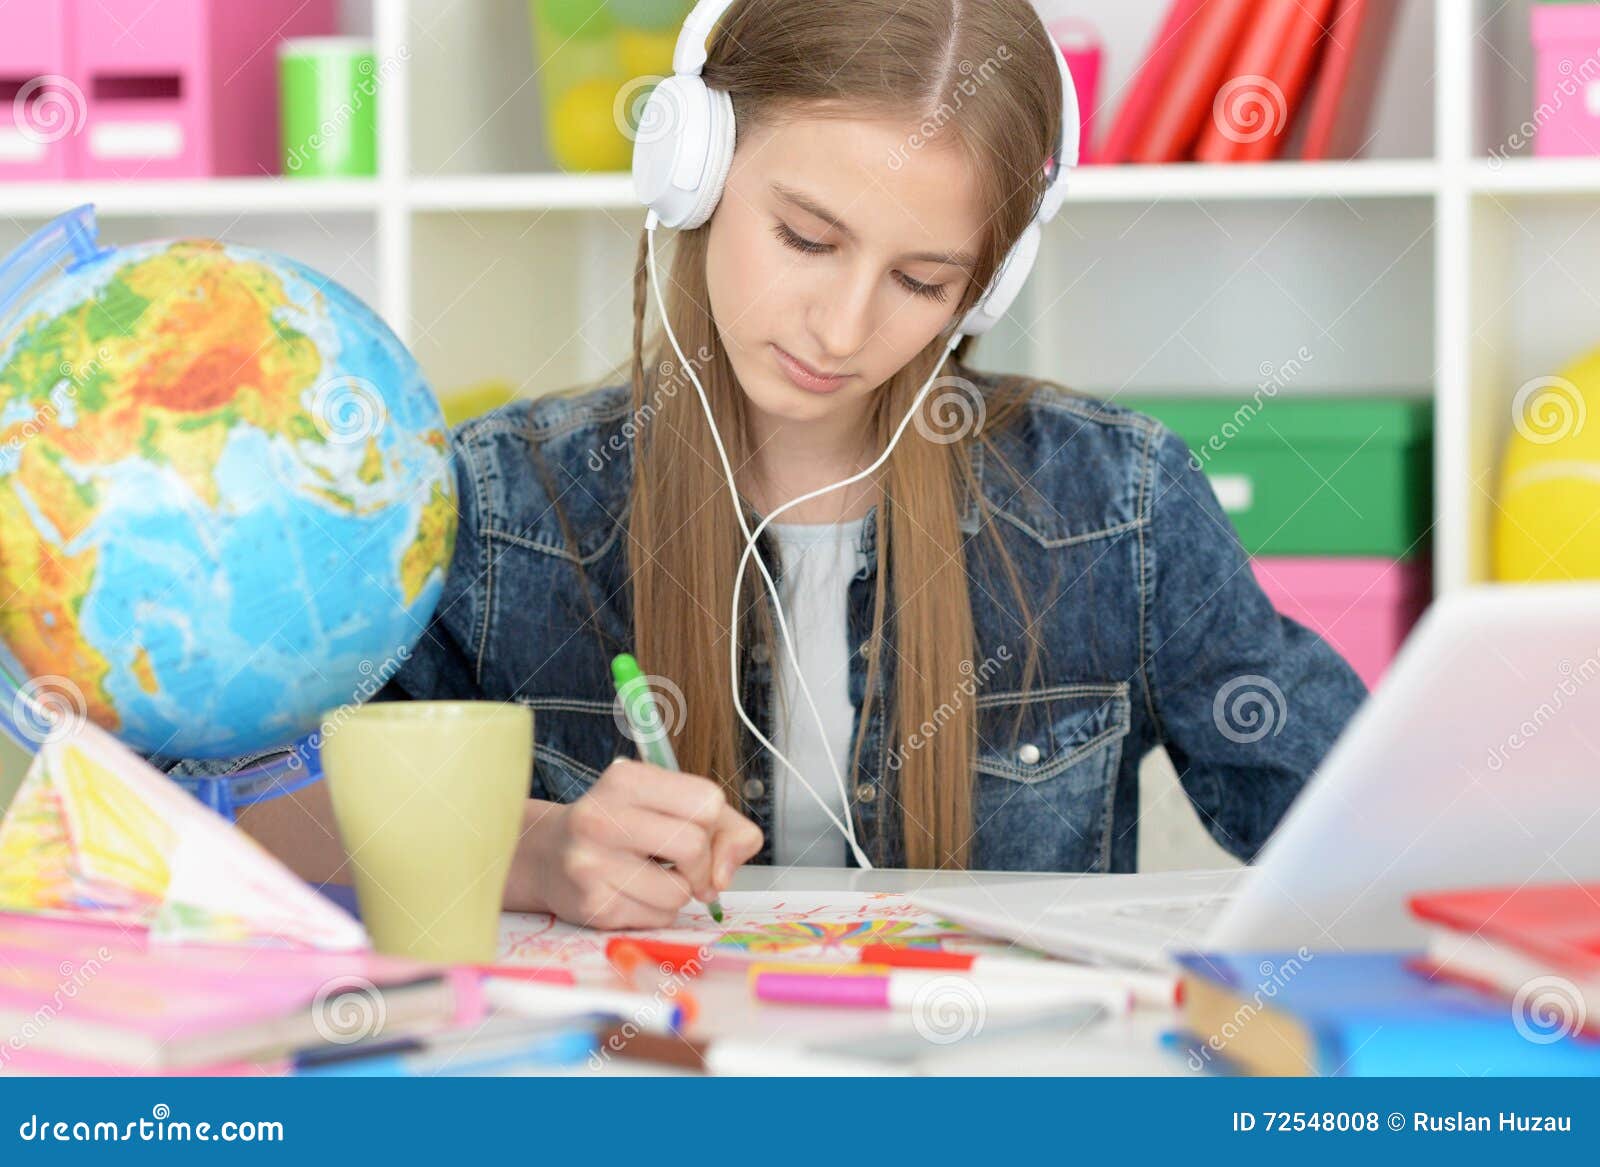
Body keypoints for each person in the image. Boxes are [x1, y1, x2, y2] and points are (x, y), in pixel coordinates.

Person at [167, 0, 1366, 930]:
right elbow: (221, 809)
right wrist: (532, 851)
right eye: (805, 237)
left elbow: (1366, 830)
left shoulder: (1122, 509)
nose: (841, 329)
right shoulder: (498, 503)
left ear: (987, 287)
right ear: (690, 172)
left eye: (920, 281)